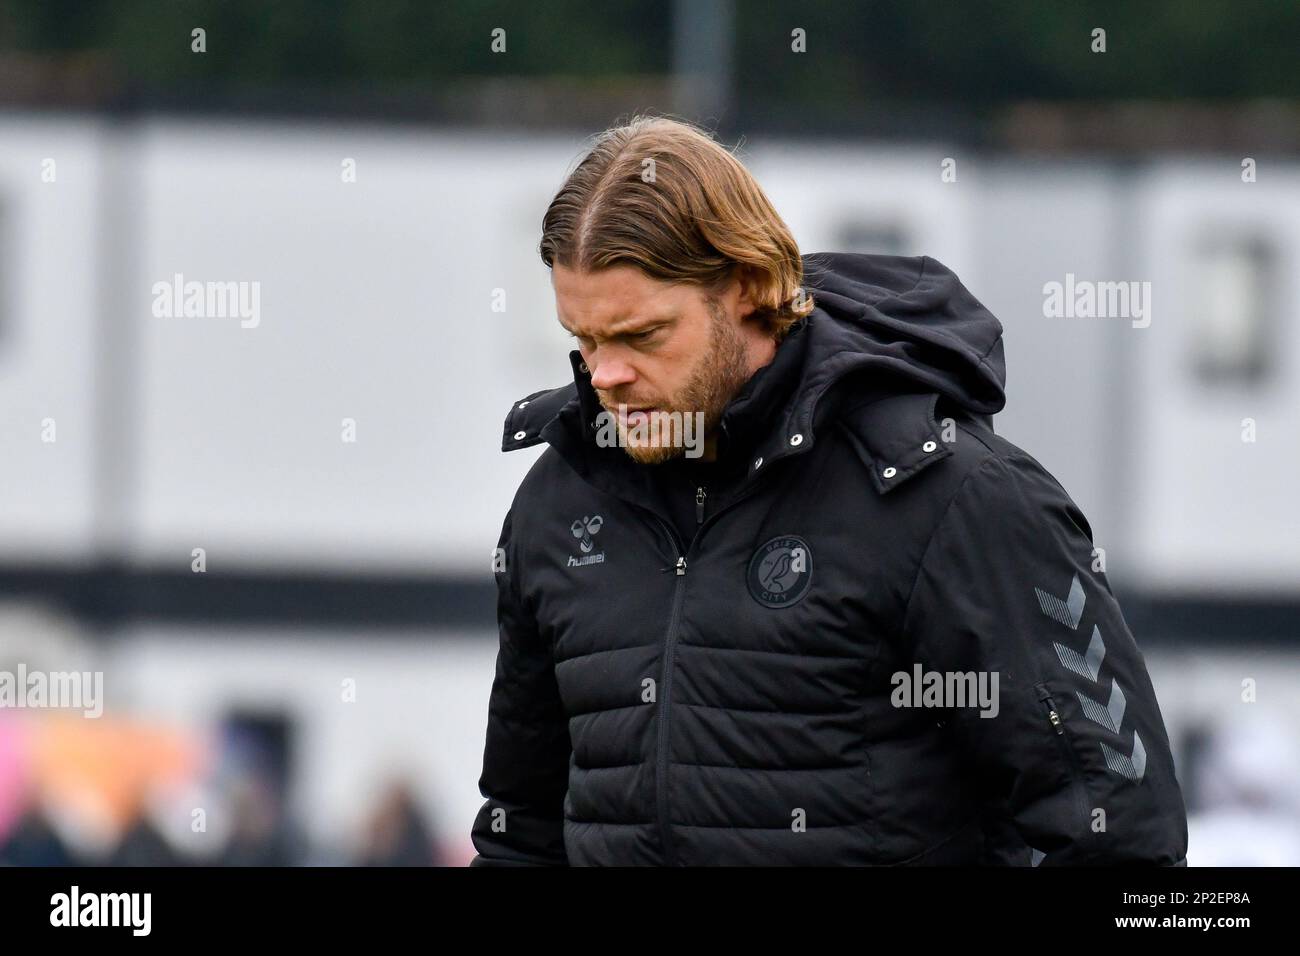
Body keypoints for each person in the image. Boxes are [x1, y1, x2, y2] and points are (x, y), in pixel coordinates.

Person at [469, 115, 1188, 866]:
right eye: (585, 340)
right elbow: (523, 830)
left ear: (747, 286)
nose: (604, 375)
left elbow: (1118, 836)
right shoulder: (559, 504)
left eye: (643, 336)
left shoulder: (951, 496)